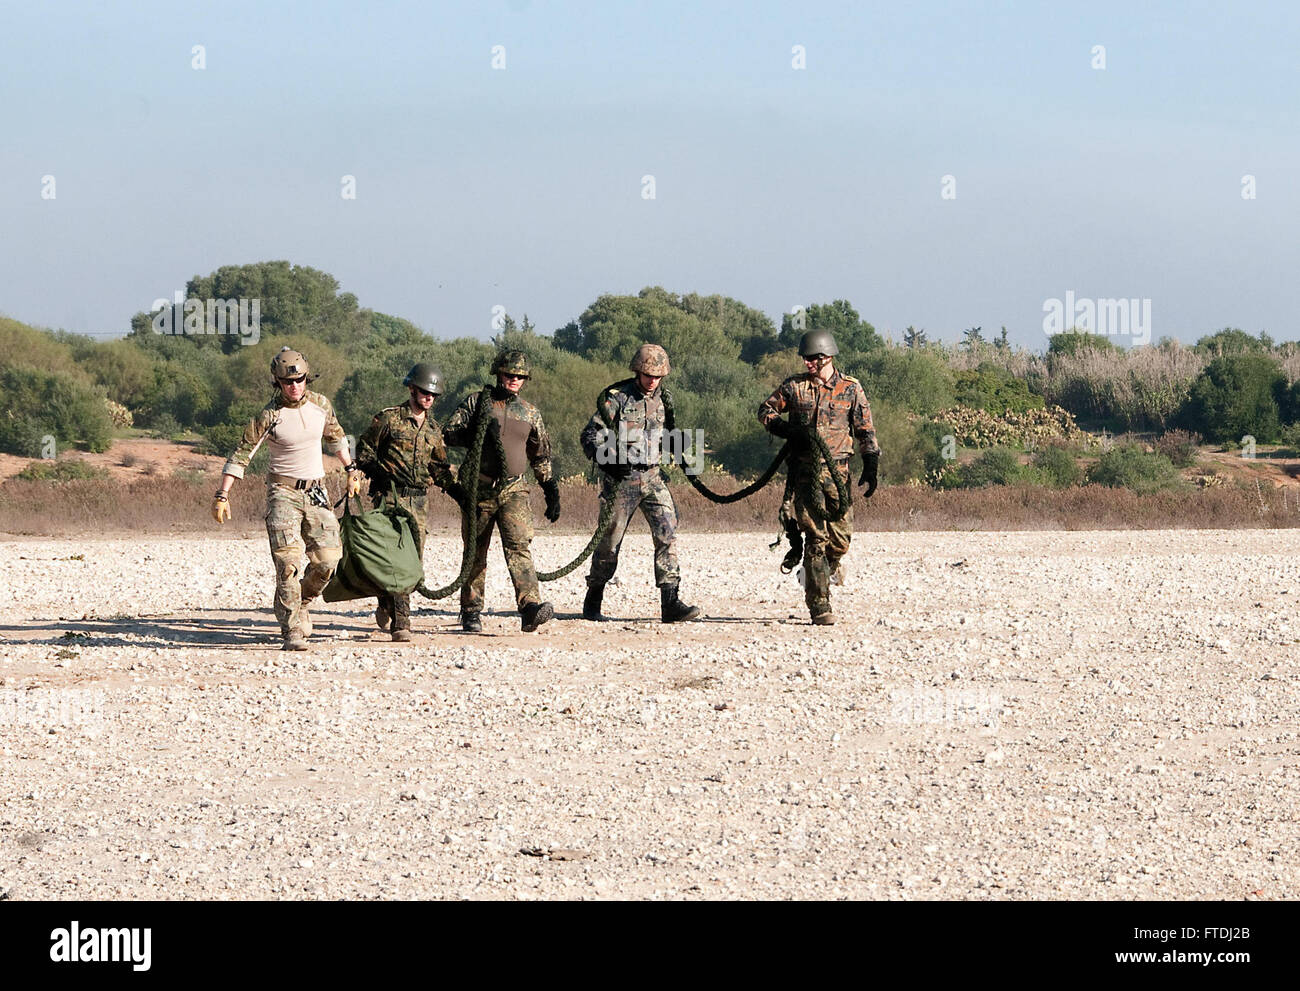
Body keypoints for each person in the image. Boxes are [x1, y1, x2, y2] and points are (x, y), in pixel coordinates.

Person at [212, 346, 363, 650]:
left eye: (300, 380)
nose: (294, 387)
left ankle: (301, 601)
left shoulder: (321, 405)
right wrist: (223, 494)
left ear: (307, 378)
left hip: (317, 490)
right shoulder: (269, 415)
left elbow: (336, 438)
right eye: (287, 382)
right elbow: (241, 454)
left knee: (328, 560)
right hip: (282, 493)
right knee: (288, 563)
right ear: (277, 382)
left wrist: (351, 470)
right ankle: (291, 628)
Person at [757, 329, 879, 625]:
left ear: (827, 357)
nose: (808, 363)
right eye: (806, 359)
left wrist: (871, 462)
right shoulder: (794, 387)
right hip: (805, 474)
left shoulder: (851, 388)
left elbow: (865, 429)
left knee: (840, 541)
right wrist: (787, 429)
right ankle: (819, 604)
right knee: (815, 538)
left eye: (813, 359)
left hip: (839, 473)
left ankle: (827, 567)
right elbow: (764, 411)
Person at [579, 343, 701, 623]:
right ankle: (593, 599)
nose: (652, 380)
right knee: (609, 542)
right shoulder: (617, 398)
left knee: (667, 534)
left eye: (658, 376)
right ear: (637, 371)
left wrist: (682, 452)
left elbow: (667, 433)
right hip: (622, 481)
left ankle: (670, 603)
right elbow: (590, 435)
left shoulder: (664, 400)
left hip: (653, 478)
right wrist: (609, 459)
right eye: (648, 375)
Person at [441, 349, 560, 633]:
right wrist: (476, 431)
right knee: (475, 551)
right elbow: (448, 433)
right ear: (498, 373)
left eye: (520, 376)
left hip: (515, 489)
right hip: (480, 489)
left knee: (519, 548)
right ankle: (471, 610)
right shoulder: (477, 402)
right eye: (509, 375)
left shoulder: (530, 412)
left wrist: (550, 488)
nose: (514, 380)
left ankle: (530, 606)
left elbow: (540, 454)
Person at [354, 363, 466, 641]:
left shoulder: (433, 430)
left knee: (413, 563)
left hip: (418, 503)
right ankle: (401, 623)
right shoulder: (389, 419)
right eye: (425, 392)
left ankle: (385, 600)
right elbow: (364, 450)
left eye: (434, 395)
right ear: (412, 389)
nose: (429, 398)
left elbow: (438, 468)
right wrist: (376, 471)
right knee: (395, 559)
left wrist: (458, 493)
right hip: (389, 498)